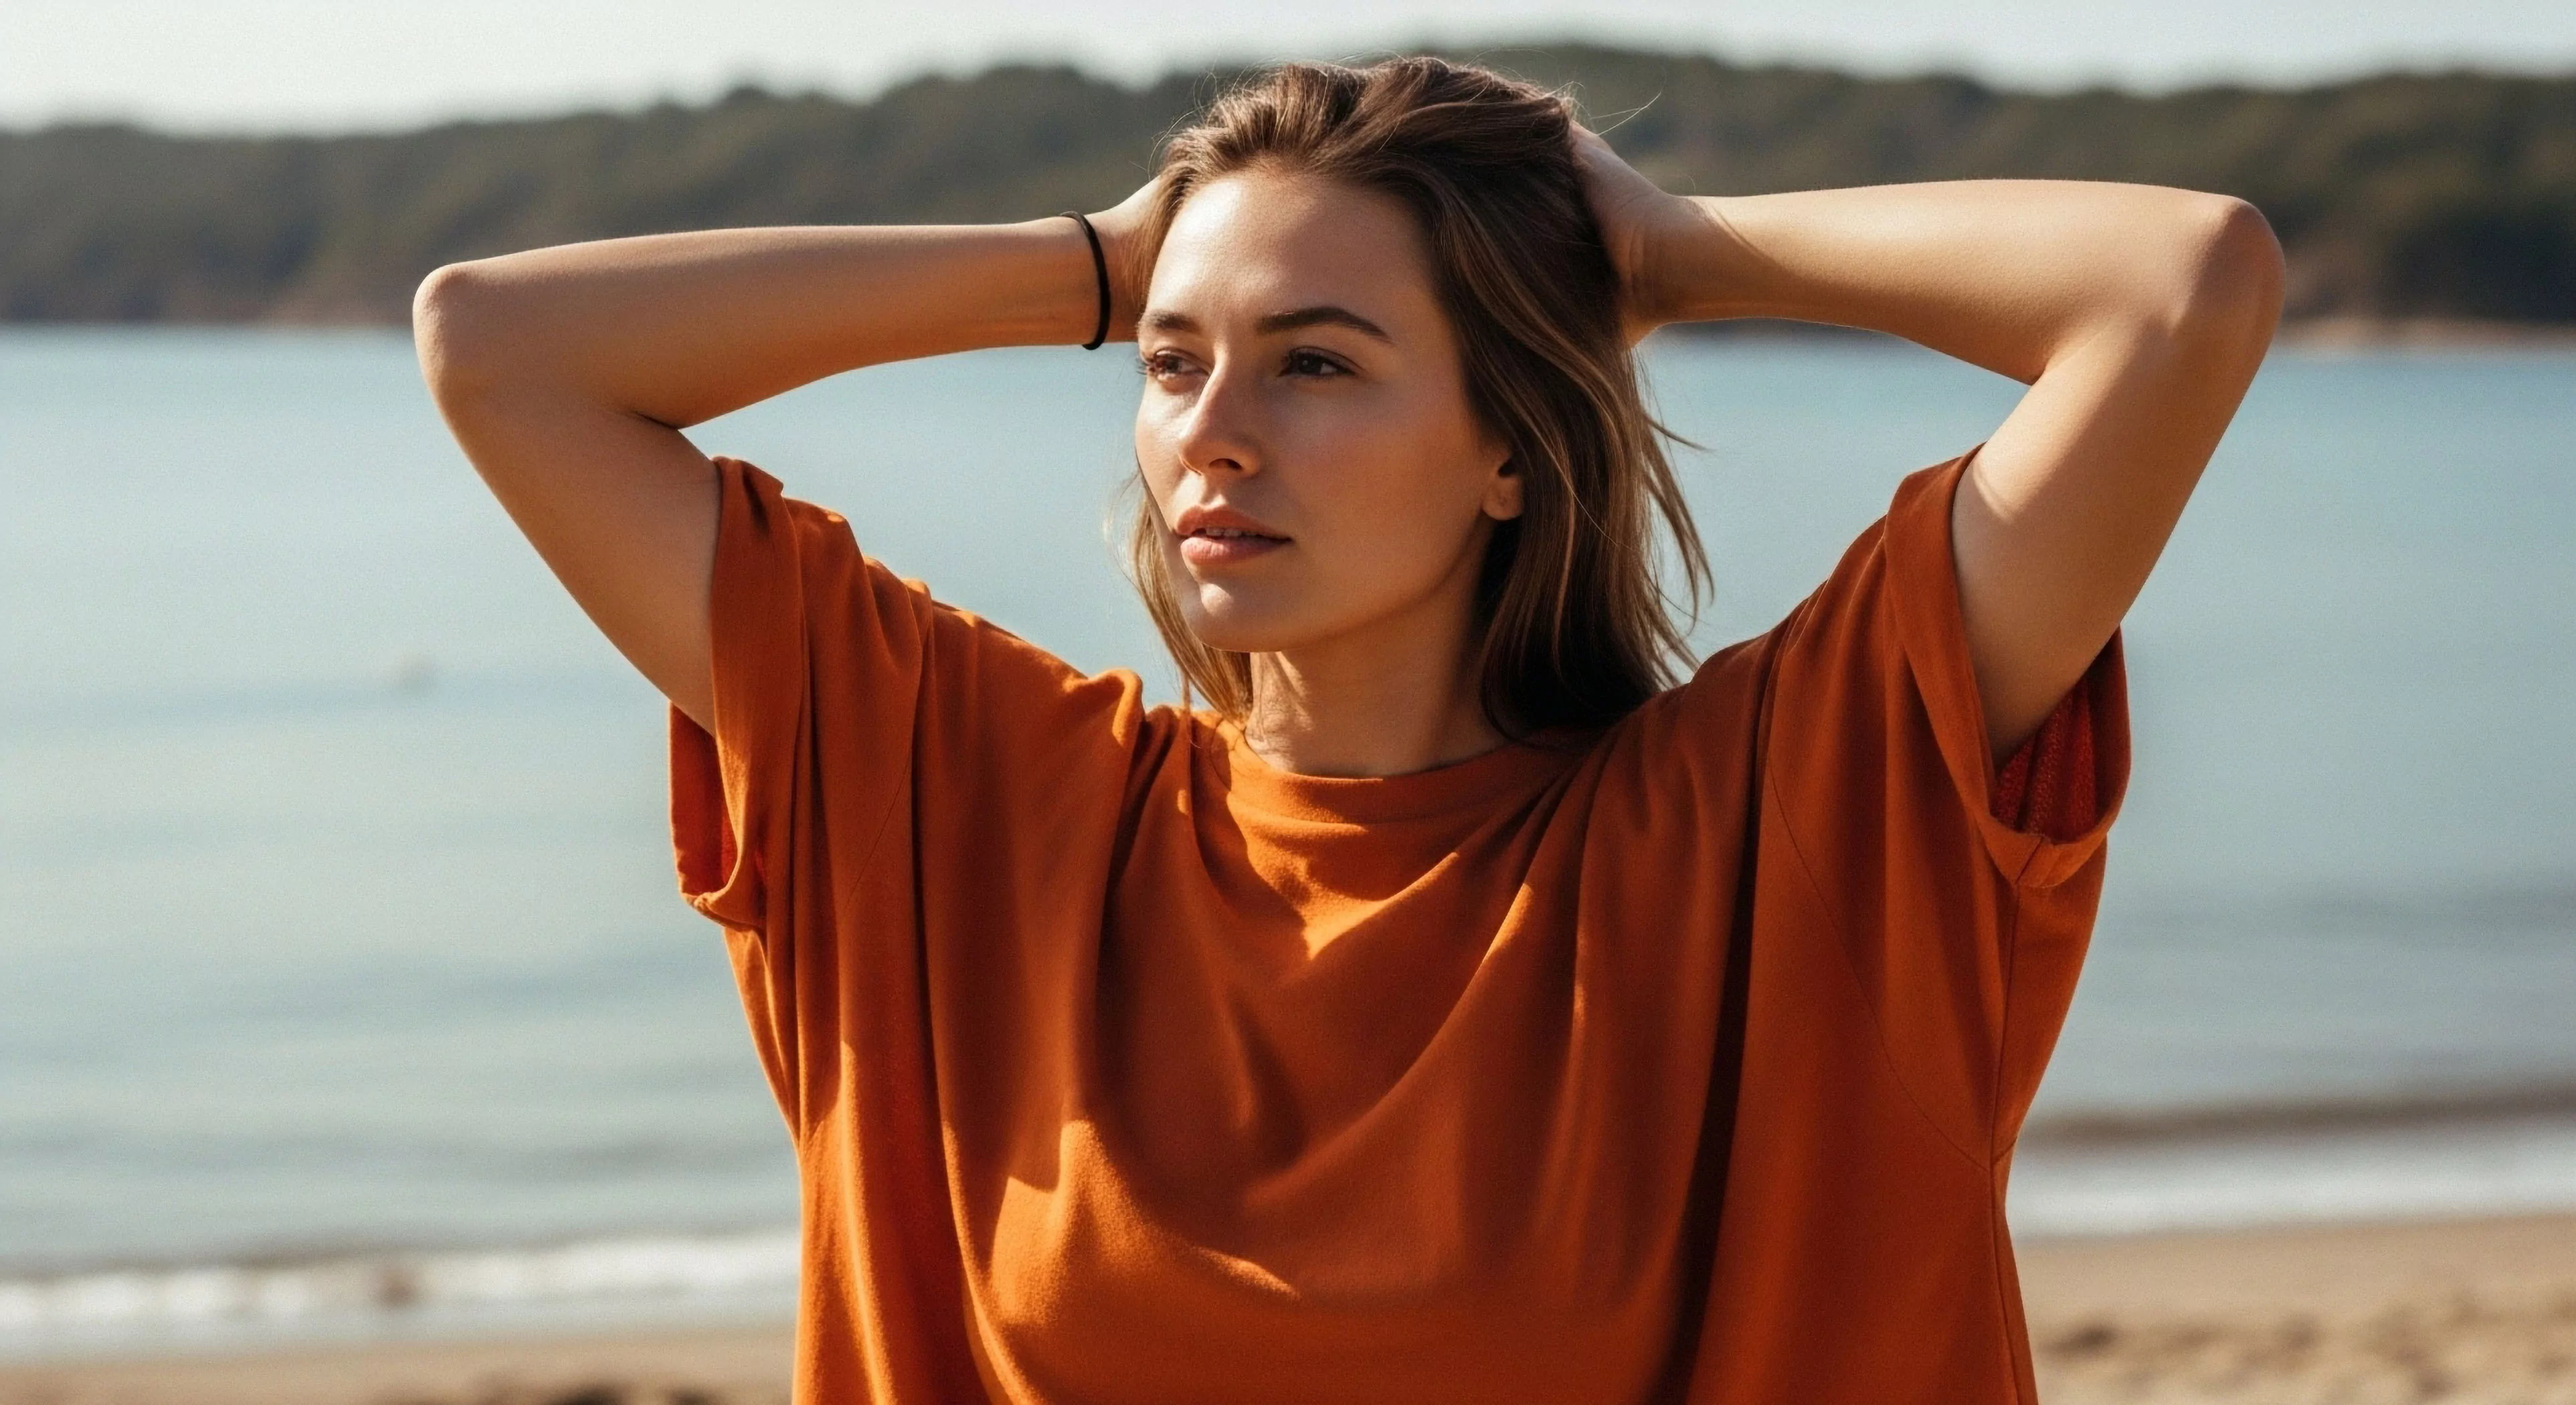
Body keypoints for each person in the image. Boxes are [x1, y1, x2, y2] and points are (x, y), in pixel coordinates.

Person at [413, 55, 2281, 1405]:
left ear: (1509, 451)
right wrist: (1089, 262)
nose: (1213, 430)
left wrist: (1660, 256)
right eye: (1173, 361)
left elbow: (2180, 286)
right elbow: (495, 345)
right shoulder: (967, 800)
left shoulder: (1781, 821)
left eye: (1316, 361)